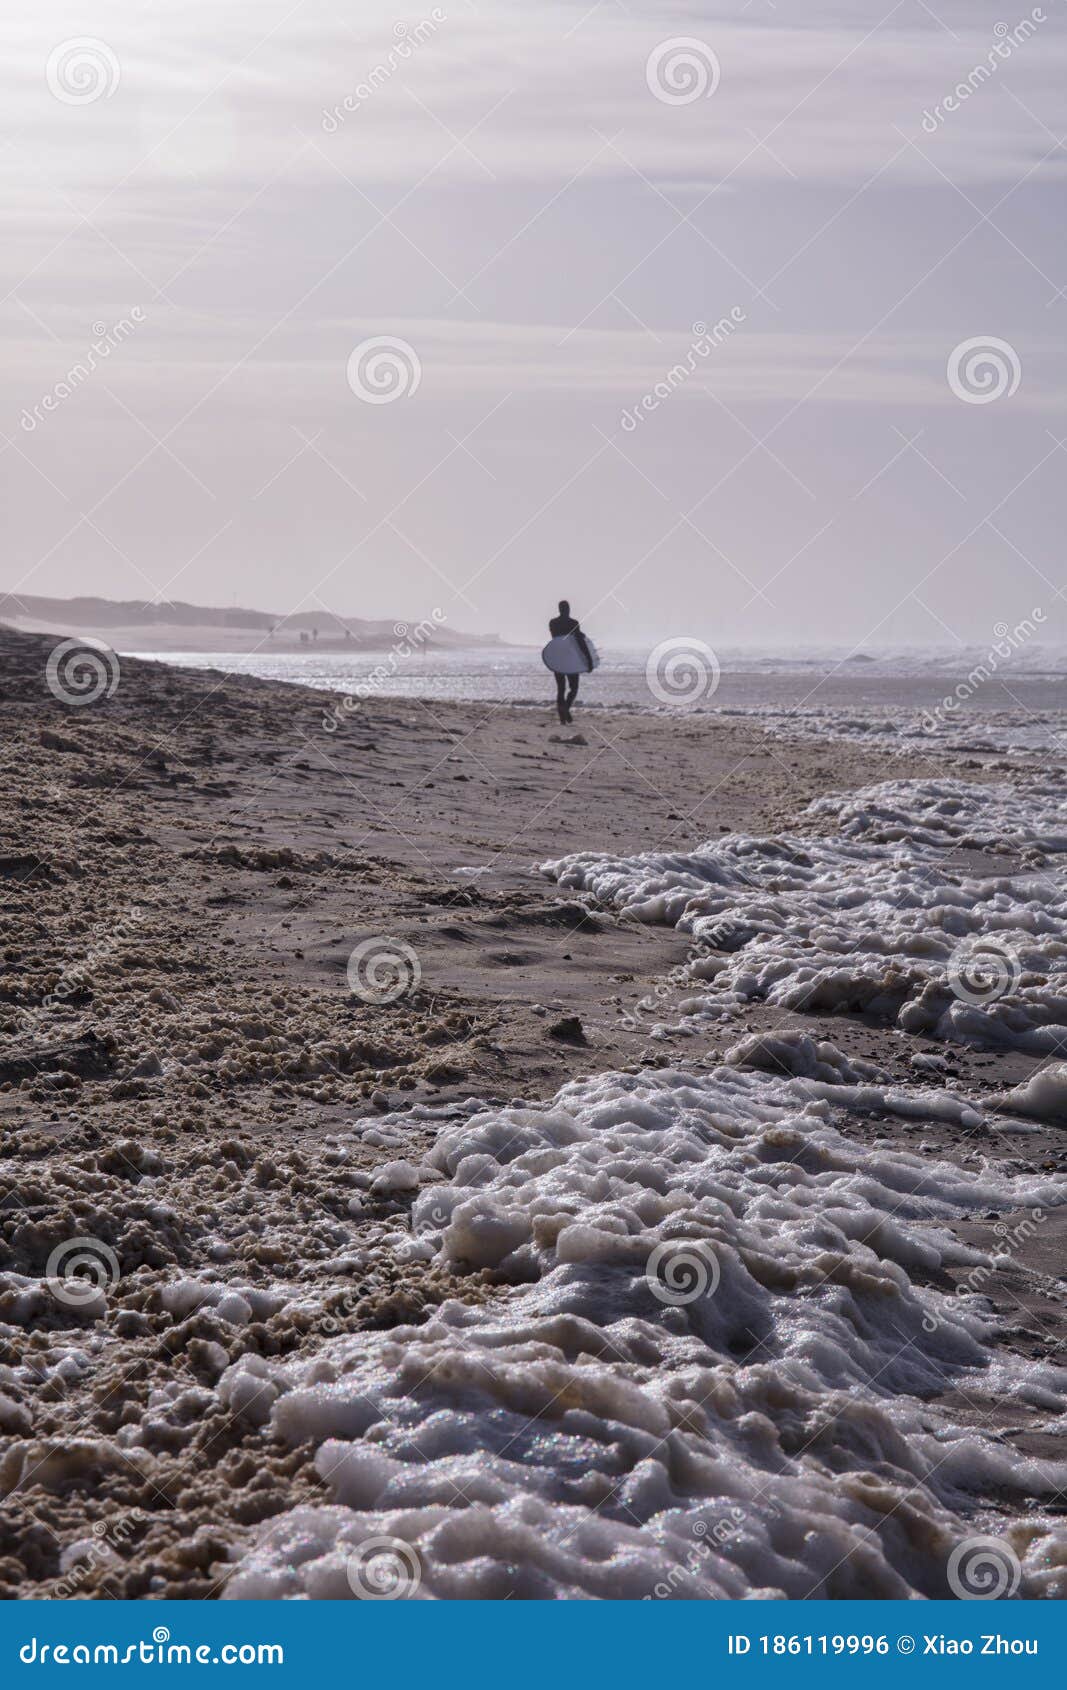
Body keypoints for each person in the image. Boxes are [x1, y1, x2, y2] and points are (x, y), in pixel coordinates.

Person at [549, 600, 593, 725]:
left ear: (559, 609)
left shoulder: (553, 623)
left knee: (561, 688)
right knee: (574, 688)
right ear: (568, 609)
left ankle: (562, 717)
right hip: (571, 659)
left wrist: (578, 633)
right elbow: (580, 642)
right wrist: (589, 660)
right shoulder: (573, 623)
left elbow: (557, 638)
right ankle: (566, 708)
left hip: (557, 658)